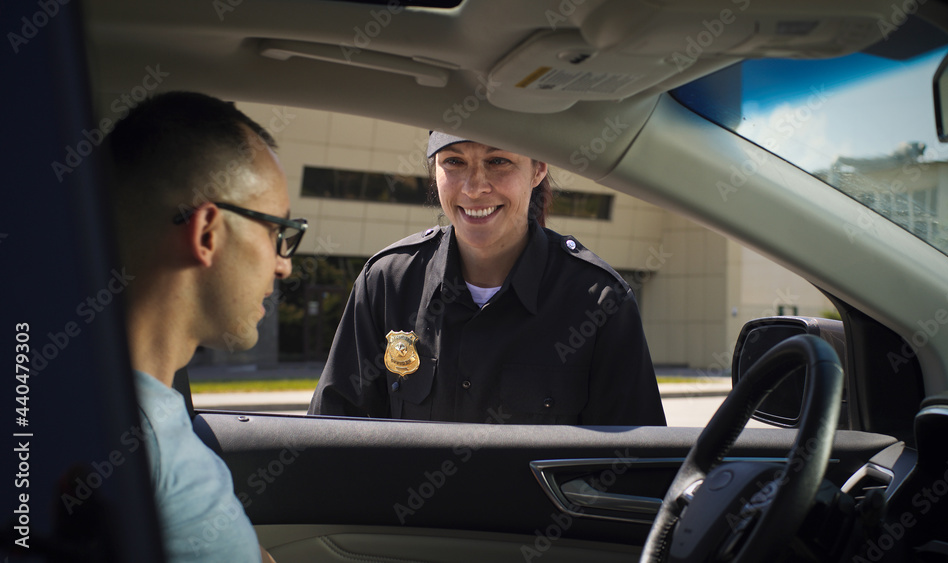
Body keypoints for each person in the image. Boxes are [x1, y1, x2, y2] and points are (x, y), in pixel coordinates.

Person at [308, 132, 665, 425]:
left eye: (498, 161)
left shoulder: (599, 302)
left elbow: (631, 471)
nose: (474, 187)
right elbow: (330, 435)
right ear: (434, 170)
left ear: (538, 169)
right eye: (454, 162)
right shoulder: (387, 283)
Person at [107, 91, 307, 562]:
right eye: (276, 231)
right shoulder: (135, 445)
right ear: (207, 233)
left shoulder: (145, 416)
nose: (285, 267)